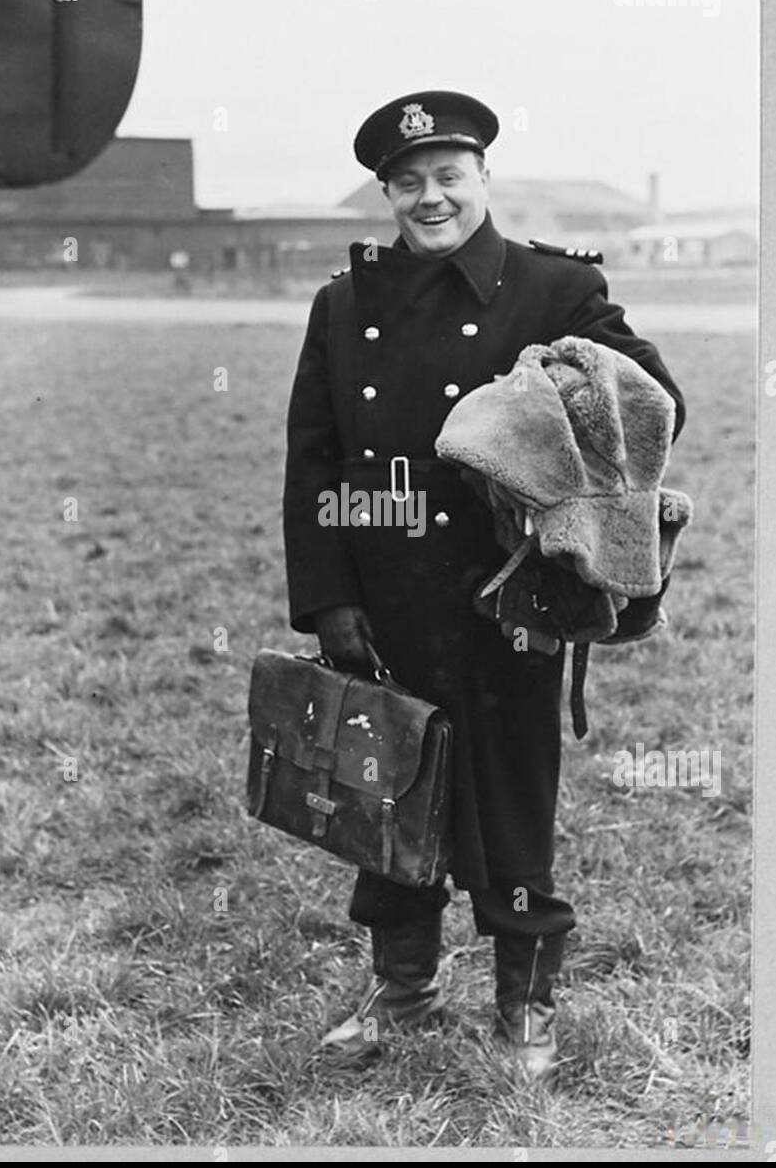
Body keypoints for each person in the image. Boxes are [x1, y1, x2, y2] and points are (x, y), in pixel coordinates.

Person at [282, 90, 685, 1078]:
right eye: (408, 183)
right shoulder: (342, 303)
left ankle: (523, 1003)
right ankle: (402, 989)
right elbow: (313, 457)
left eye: (448, 178)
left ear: (482, 180)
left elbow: (650, 394)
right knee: (386, 797)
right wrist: (331, 600)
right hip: (384, 593)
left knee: (510, 794)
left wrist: (568, 384)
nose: (430, 197)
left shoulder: (552, 286)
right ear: (385, 192)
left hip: (511, 594)